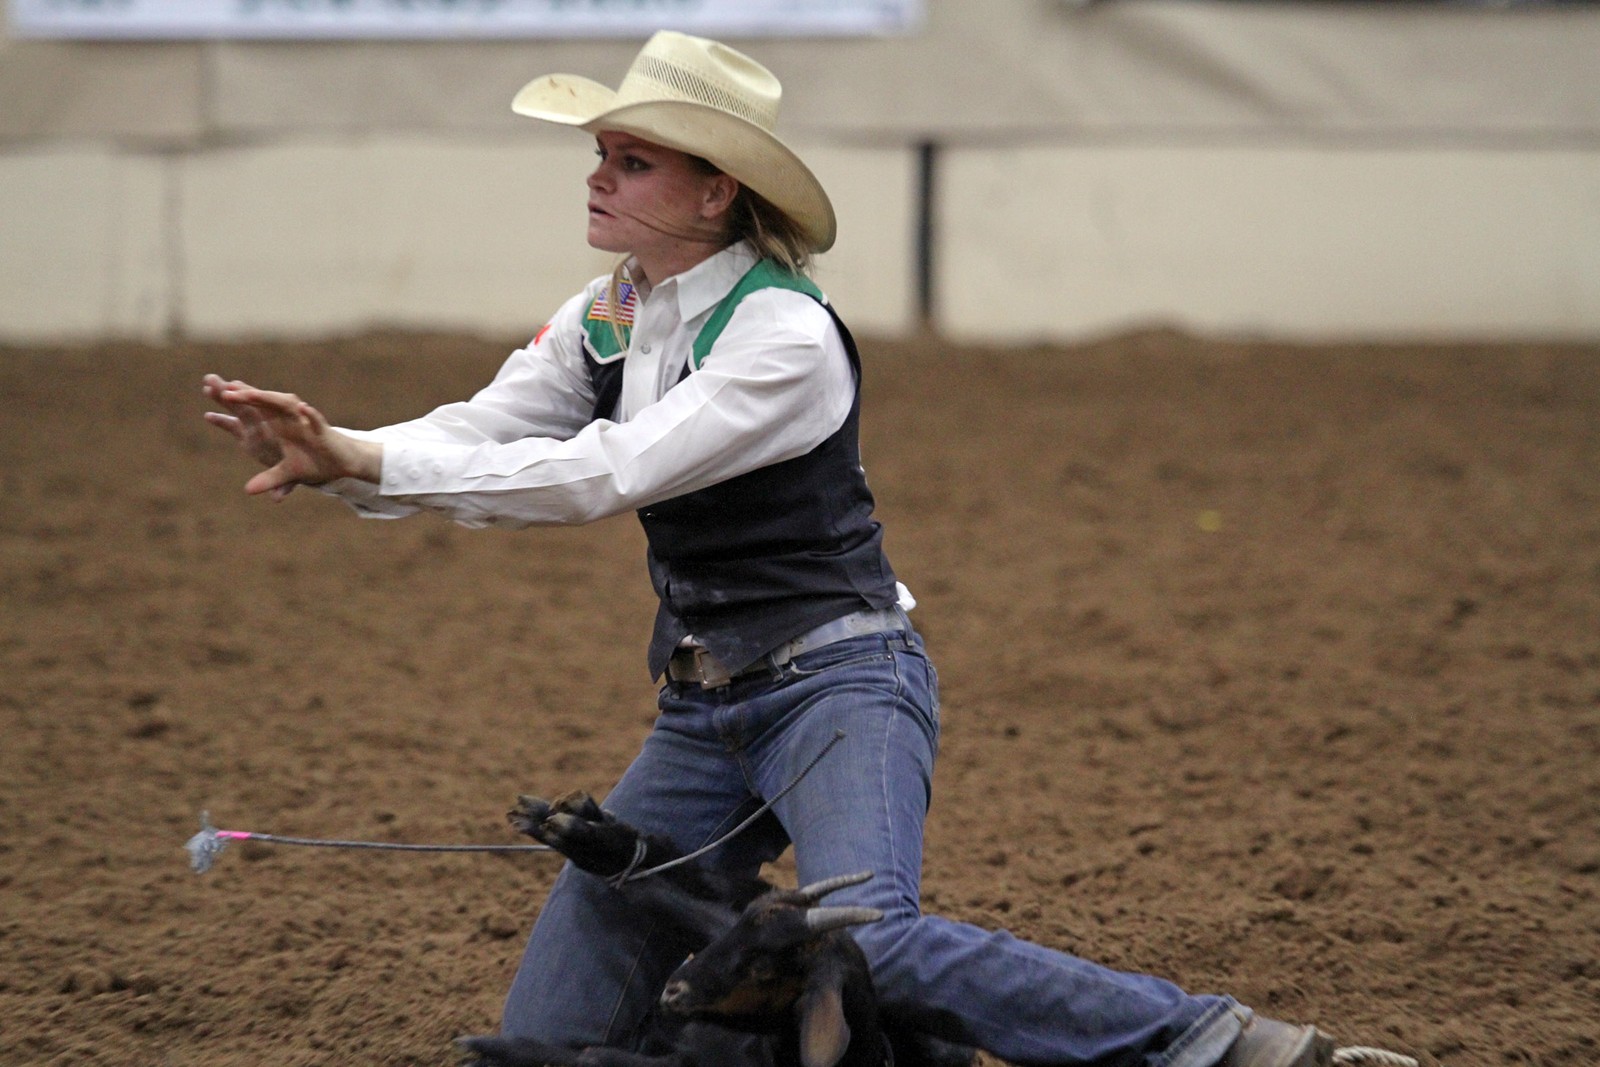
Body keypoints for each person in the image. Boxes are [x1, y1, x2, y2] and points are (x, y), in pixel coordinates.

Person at [202, 30, 1335, 1067]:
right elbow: (488, 425)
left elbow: (607, 471)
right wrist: (343, 452)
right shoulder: (611, 311)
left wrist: (364, 462)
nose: (598, 176)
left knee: (869, 936)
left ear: (716, 191)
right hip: (703, 708)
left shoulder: (783, 335)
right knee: (546, 1039)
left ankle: (1216, 1042)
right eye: (602, 155)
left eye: (632, 161)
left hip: (840, 685)